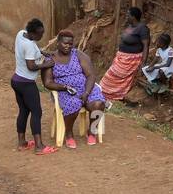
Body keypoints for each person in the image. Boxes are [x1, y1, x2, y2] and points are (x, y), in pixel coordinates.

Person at [43, 29, 105, 148]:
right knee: (73, 104)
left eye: (70, 44)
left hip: (86, 87)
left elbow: (91, 75)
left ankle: (92, 131)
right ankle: (69, 134)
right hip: (65, 90)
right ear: (58, 43)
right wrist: (65, 87)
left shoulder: (78, 54)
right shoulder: (50, 59)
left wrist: (86, 92)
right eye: (64, 43)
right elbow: (48, 82)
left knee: (98, 104)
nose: (68, 46)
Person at [13, 18, 56, 155]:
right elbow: (31, 66)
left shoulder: (21, 34)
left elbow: (32, 51)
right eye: (39, 34)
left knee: (24, 111)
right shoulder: (30, 46)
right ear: (32, 33)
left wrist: (42, 52)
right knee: (37, 112)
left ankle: (22, 143)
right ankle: (39, 146)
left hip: (16, 80)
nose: (41, 36)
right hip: (26, 83)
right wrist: (46, 65)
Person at [97, 7, 150, 102]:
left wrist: (143, 63)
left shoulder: (142, 29)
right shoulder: (129, 26)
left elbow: (146, 46)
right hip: (121, 58)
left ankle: (114, 95)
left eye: (128, 15)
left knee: (111, 76)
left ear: (133, 17)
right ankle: (105, 94)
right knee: (110, 76)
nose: (126, 16)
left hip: (131, 61)